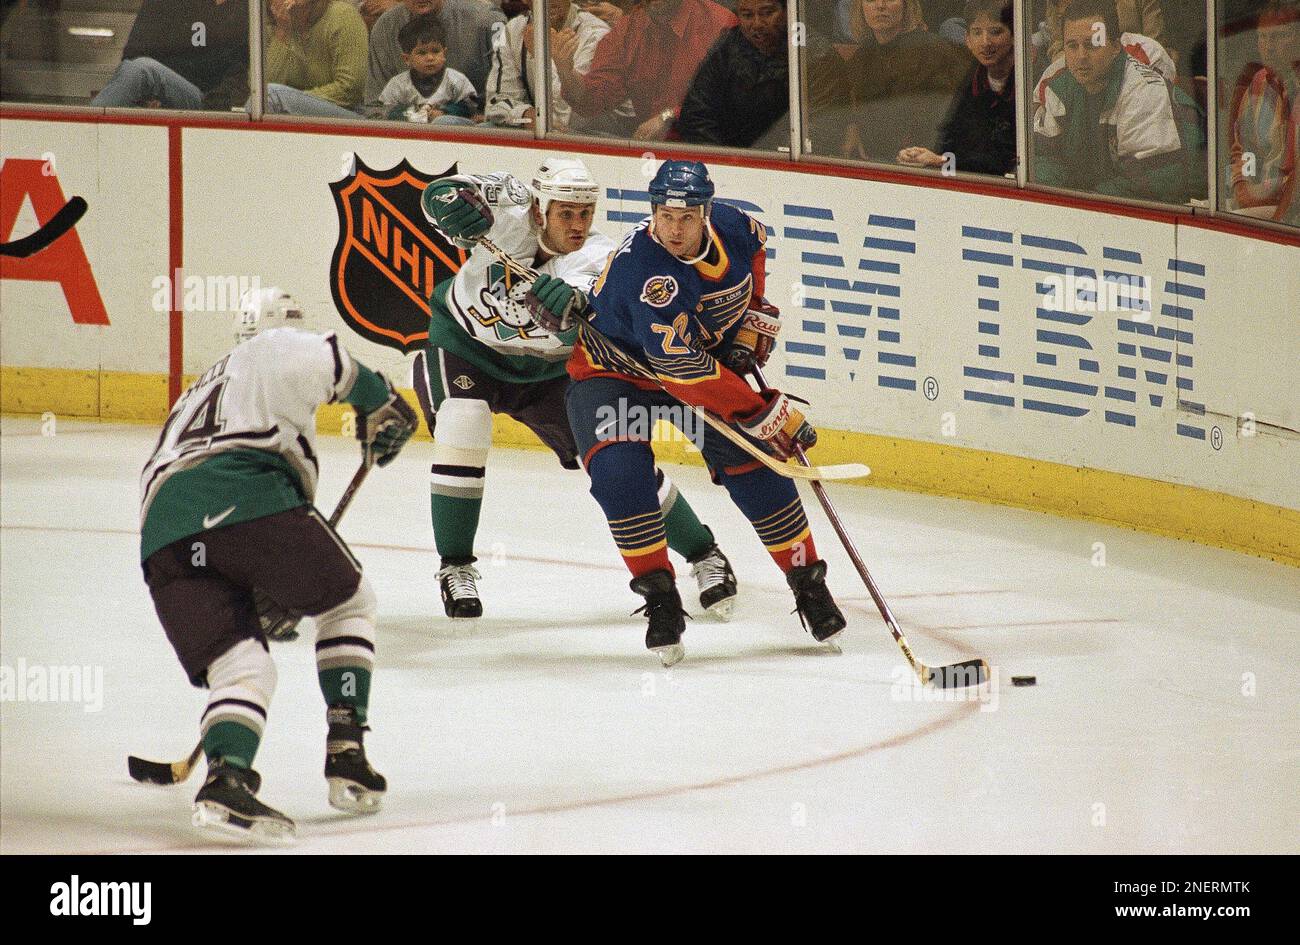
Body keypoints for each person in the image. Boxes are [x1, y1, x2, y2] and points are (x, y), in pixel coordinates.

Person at [139, 288, 417, 843]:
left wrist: (263, 572)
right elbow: (335, 364)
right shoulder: (276, 347)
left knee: (243, 666)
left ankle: (227, 779)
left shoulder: (206, 387)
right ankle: (346, 747)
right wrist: (384, 399)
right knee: (349, 602)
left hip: (163, 536)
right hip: (242, 494)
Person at [549, 160, 847, 665]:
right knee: (622, 479)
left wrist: (751, 320)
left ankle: (808, 585)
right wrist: (761, 413)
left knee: (757, 468)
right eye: (665, 216)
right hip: (613, 375)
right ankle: (661, 600)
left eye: (687, 217)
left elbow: (756, 247)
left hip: (694, 368)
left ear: (707, 213)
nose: (675, 229)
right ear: (654, 213)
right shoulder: (648, 274)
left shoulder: (734, 225)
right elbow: (684, 374)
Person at [416, 158, 739, 621]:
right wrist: (443, 202)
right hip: (467, 346)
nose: (577, 224)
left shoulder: (601, 255)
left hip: (550, 370)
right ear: (540, 206)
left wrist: (576, 303)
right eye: (565, 213)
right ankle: (455, 567)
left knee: (615, 460)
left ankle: (704, 553)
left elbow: (590, 296)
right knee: (463, 423)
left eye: (585, 214)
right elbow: (443, 192)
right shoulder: (509, 203)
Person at [1033, 0, 1205, 202]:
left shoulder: (1143, 89)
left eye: (1092, 45)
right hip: (1102, 195)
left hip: (1189, 202)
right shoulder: (1056, 84)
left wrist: (1081, 201)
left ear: (1115, 46)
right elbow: (1042, 159)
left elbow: (1154, 184)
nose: (1081, 56)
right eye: (1072, 45)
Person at [552, 0, 737, 140]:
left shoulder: (720, 24)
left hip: (715, 150)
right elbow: (591, 102)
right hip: (652, 155)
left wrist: (670, 116)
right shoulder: (629, 28)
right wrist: (566, 72)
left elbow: (734, 101)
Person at [676, 0, 833, 149]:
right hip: (730, 162)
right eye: (747, 15)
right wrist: (726, 161)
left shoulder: (814, 55)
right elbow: (695, 114)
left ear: (787, 12)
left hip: (787, 166)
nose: (757, 24)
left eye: (767, 13)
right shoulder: (727, 47)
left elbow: (820, 131)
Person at [839, 0, 975, 163]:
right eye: (870, 0)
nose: (880, 5)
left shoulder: (935, 51)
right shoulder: (862, 56)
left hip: (923, 162)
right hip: (873, 162)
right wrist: (852, 125)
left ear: (906, 5)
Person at [897, 0, 1016, 175]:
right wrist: (923, 155)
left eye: (995, 32)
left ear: (1014, 36)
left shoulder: (1026, 80)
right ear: (967, 40)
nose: (985, 42)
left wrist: (941, 161)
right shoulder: (968, 79)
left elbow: (1003, 163)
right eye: (977, 33)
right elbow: (950, 138)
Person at [91, 0, 249, 111]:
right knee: (140, 69)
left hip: (211, 103)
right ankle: (87, 132)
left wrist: (222, 104)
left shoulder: (247, 9)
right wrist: (152, 93)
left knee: (143, 68)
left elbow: (242, 71)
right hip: (164, 92)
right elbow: (134, 53)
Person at [365, 0, 506, 117]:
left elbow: (510, 98)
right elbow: (375, 107)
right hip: (407, 130)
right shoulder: (384, 27)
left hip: (477, 128)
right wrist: (415, 115)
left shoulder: (490, 22)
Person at [484, 0, 610, 131]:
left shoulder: (596, 34)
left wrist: (542, 58)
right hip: (531, 129)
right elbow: (496, 104)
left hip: (591, 138)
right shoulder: (513, 29)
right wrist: (526, 117)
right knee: (483, 128)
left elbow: (565, 120)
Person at [1226, 1, 1300, 217]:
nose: (1268, 45)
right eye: (1263, 37)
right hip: (1258, 199)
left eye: (1277, 36)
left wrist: (1263, 194)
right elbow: (1241, 148)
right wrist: (1242, 187)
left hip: (1288, 210)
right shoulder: (1259, 82)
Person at [263, 0, 369, 116]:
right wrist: (282, 31)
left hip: (348, 115)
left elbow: (351, 88)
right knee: (265, 98)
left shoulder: (342, 16)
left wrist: (292, 100)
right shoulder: (271, 25)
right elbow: (260, 94)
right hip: (292, 116)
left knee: (272, 96)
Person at [378, 14, 479, 122]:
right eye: (422, 53)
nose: (430, 58)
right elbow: (385, 110)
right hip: (410, 133)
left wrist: (445, 111)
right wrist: (413, 112)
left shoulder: (455, 80)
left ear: (444, 54)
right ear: (407, 59)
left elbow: (471, 105)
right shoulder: (398, 84)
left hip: (447, 132)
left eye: (435, 51)